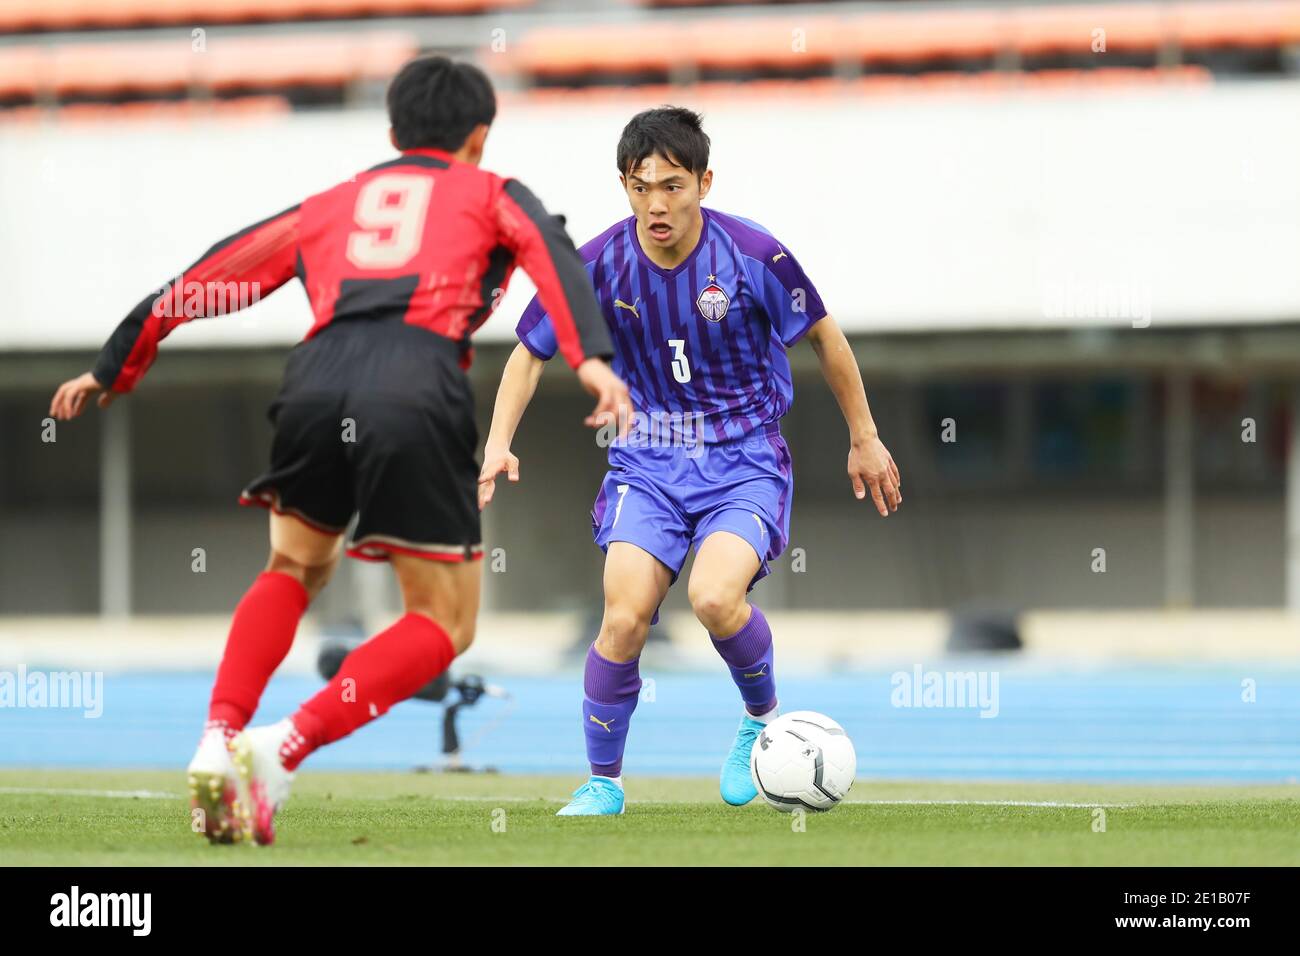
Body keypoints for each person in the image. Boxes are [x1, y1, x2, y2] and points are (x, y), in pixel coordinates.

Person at [48, 55, 630, 844]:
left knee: (291, 568)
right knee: (445, 623)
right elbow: (552, 256)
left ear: (393, 132)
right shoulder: (492, 192)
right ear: (480, 137)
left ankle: (219, 735)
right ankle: (278, 748)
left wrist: (114, 363)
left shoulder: (335, 201)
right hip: (415, 381)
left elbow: (216, 275)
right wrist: (591, 358)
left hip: (315, 380)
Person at [478, 106, 900, 815]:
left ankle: (760, 721)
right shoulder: (596, 264)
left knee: (713, 598)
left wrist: (864, 436)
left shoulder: (755, 256)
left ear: (705, 181)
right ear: (624, 186)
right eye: (641, 187)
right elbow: (527, 353)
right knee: (622, 617)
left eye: (673, 186)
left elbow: (826, 337)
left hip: (743, 459)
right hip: (647, 463)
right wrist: (497, 442)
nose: (657, 204)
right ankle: (604, 784)